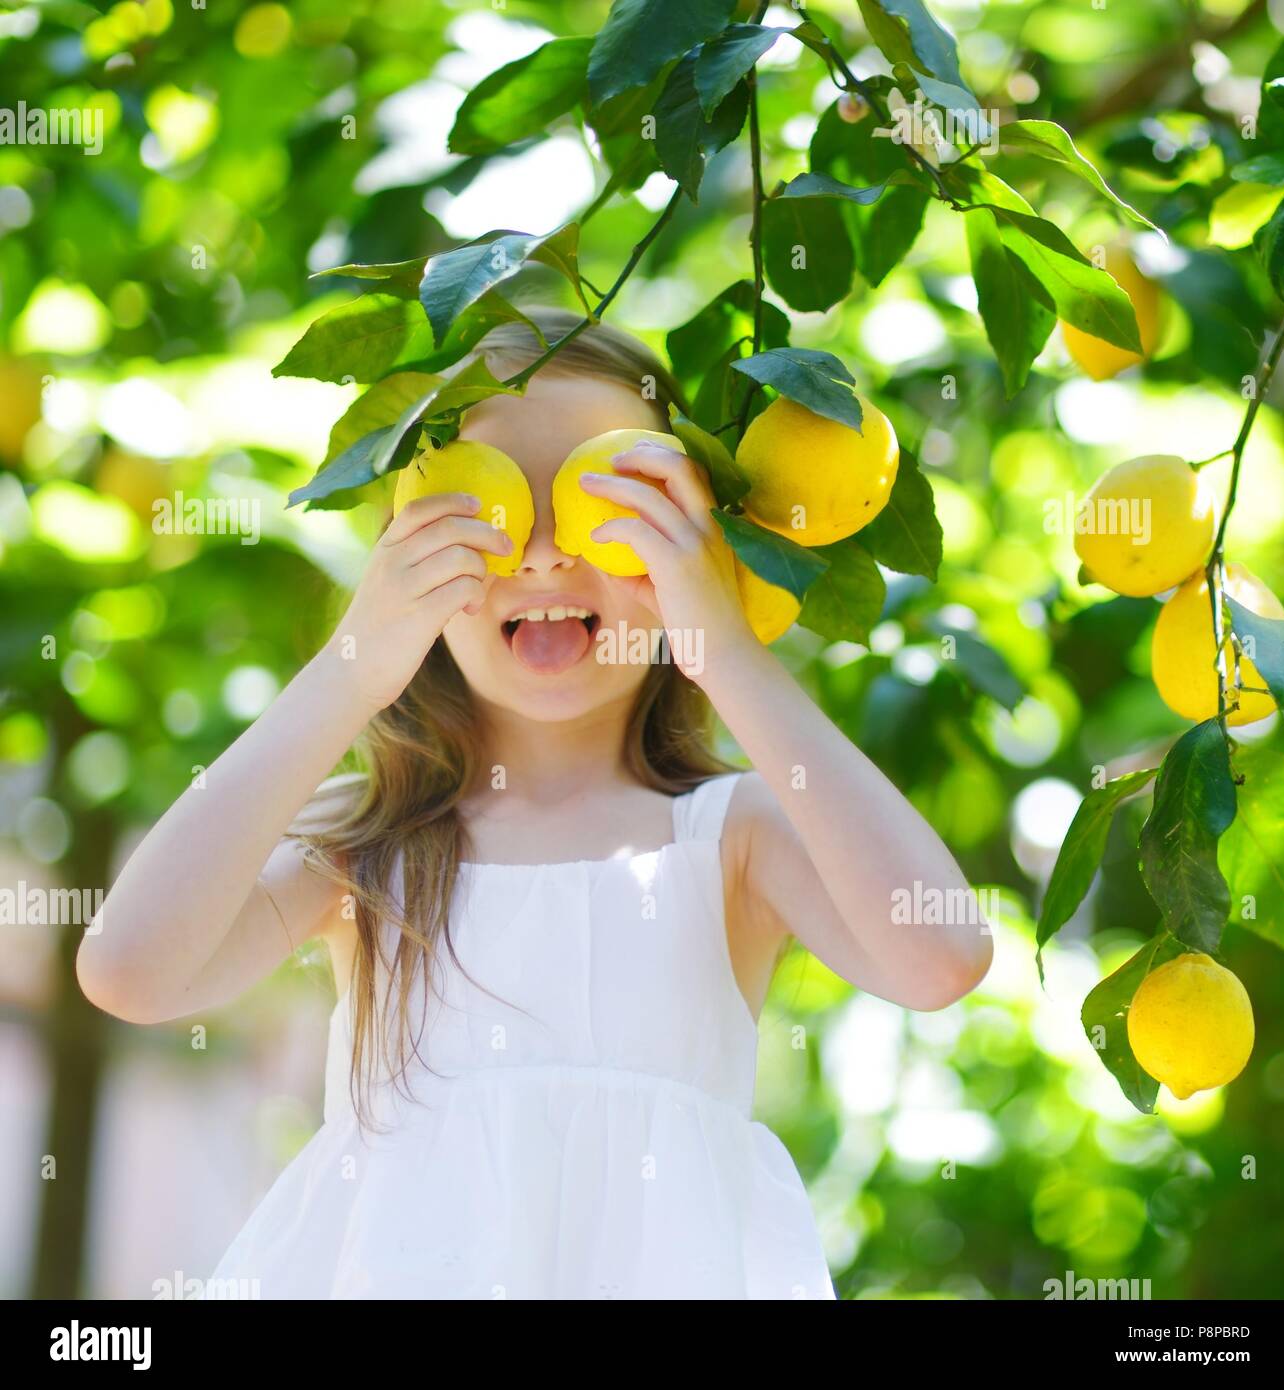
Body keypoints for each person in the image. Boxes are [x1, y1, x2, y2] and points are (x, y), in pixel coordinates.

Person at [77, 308, 993, 1299]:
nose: (546, 554)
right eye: (492, 510)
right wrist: (350, 669)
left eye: (613, 503)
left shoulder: (728, 834)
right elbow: (131, 971)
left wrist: (725, 647)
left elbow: (938, 954)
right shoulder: (371, 840)